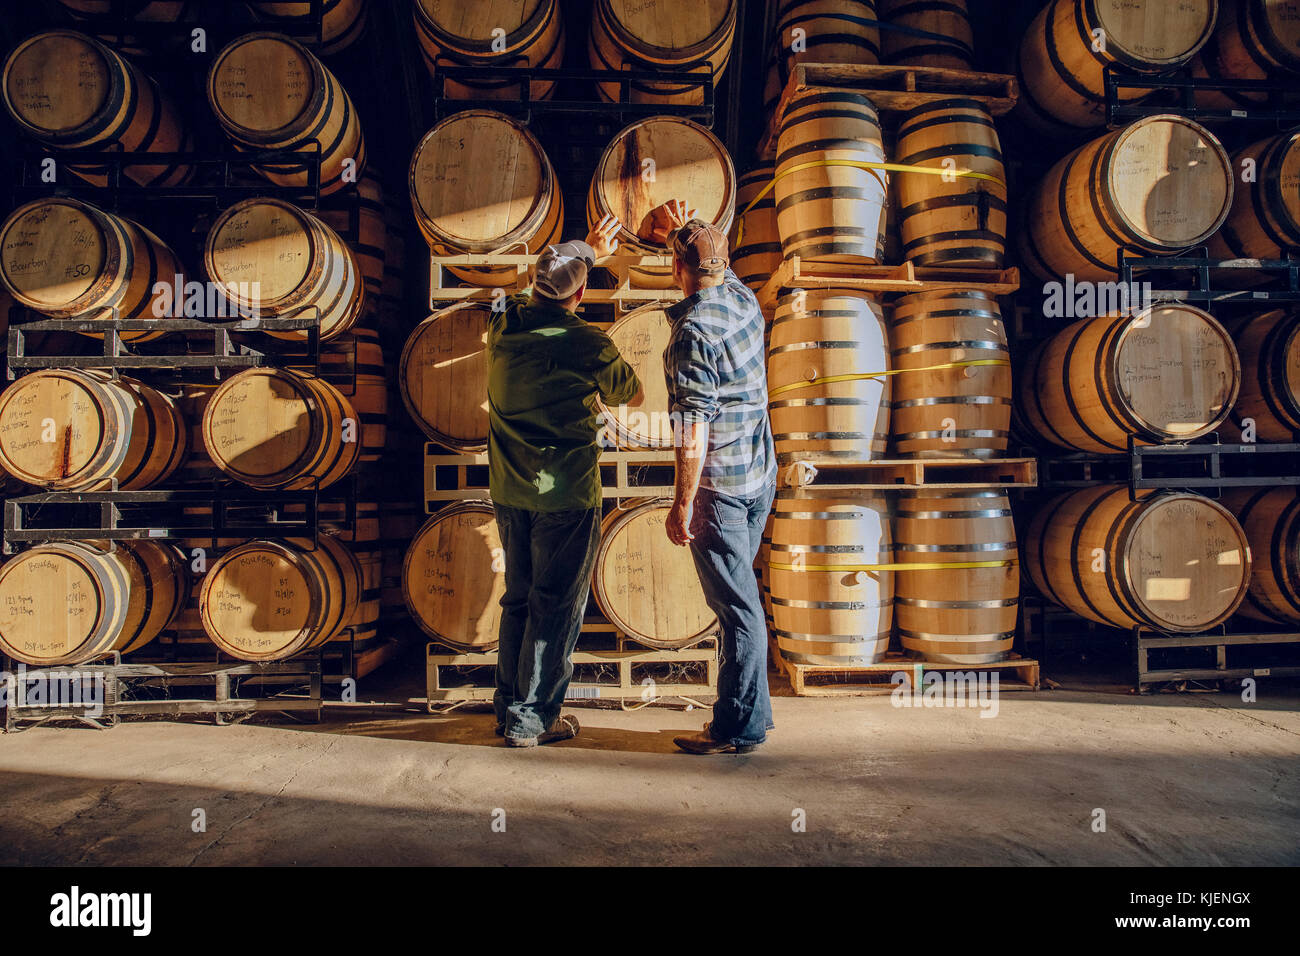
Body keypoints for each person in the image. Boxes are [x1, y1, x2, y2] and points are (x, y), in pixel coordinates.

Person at [486, 214, 644, 747]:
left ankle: (508, 707)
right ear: (579, 296)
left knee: (518, 599)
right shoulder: (589, 343)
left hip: (509, 490)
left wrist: (581, 251)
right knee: (554, 607)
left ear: (535, 284)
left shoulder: (503, 324)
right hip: (566, 495)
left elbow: (511, 293)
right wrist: (592, 255)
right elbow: (629, 393)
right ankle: (533, 720)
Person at [656, 203, 778, 755]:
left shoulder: (692, 333)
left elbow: (692, 433)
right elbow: (708, 259)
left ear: (677, 270)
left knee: (739, 610)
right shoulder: (743, 297)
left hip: (720, 492)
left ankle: (740, 728)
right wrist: (688, 226)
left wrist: (682, 505)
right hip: (759, 476)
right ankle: (734, 716)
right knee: (739, 604)